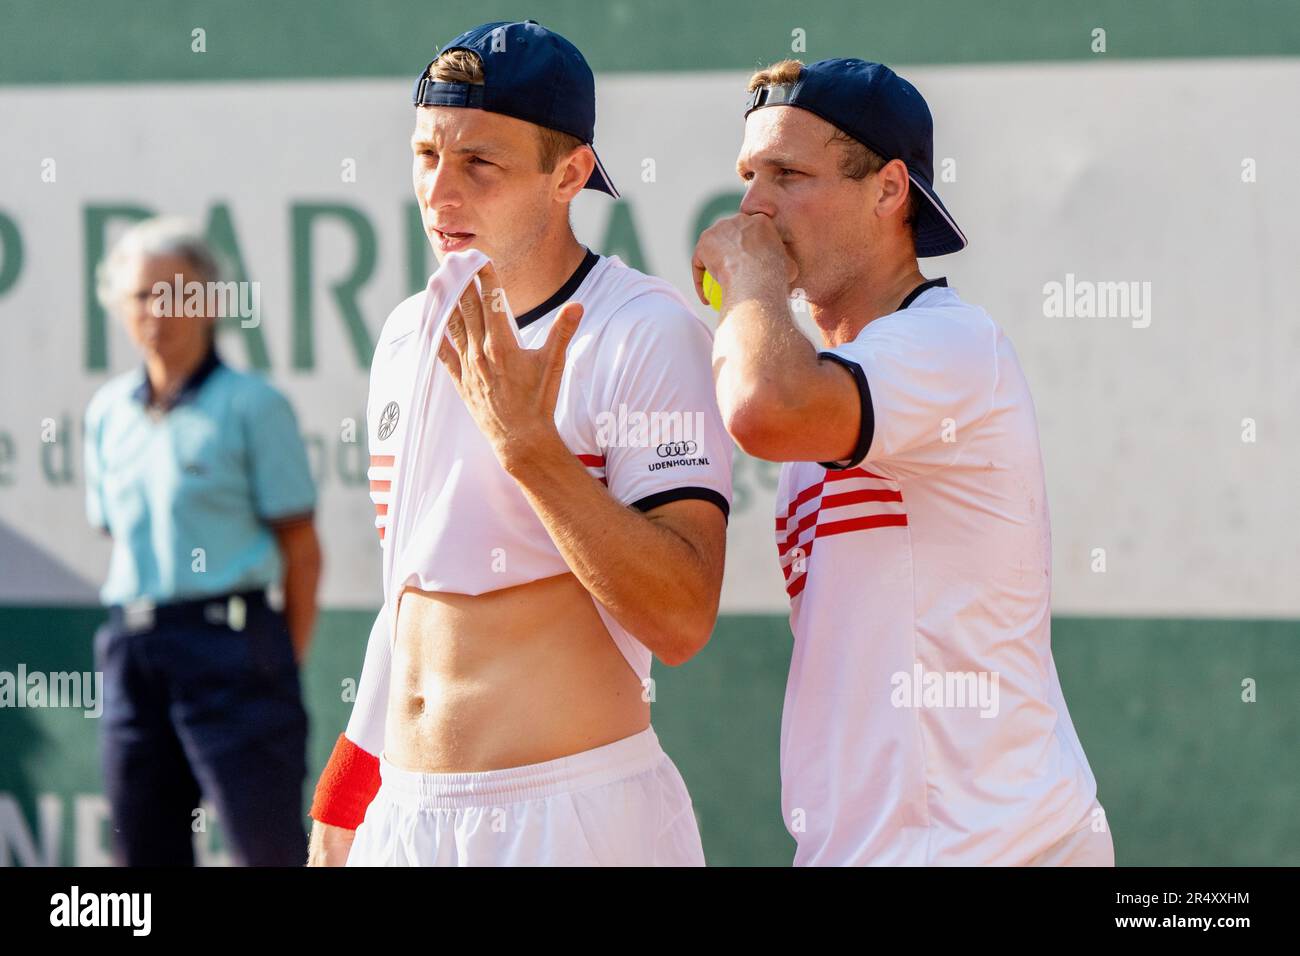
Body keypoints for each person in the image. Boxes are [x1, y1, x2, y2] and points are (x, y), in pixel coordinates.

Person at [307, 20, 731, 866]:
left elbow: (682, 615)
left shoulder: (646, 330)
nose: (439, 192)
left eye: (479, 164)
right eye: (427, 155)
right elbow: (408, 603)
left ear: (569, 174)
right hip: (405, 819)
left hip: (570, 820)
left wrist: (530, 450)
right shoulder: (405, 335)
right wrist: (342, 809)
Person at [693, 58, 1113, 866]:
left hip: (997, 851)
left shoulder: (949, 344)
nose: (753, 206)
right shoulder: (831, 402)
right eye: (750, 176)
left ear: (889, 190)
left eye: (789, 174)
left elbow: (762, 405)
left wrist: (749, 274)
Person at [84, 217, 321, 865]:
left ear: (211, 302)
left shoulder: (253, 406)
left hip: (235, 650)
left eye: (174, 293)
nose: (156, 312)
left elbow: (301, 548)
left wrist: (275, 664)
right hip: (134, 654)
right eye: (140, 296)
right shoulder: (107, 414)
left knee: (265, 849)